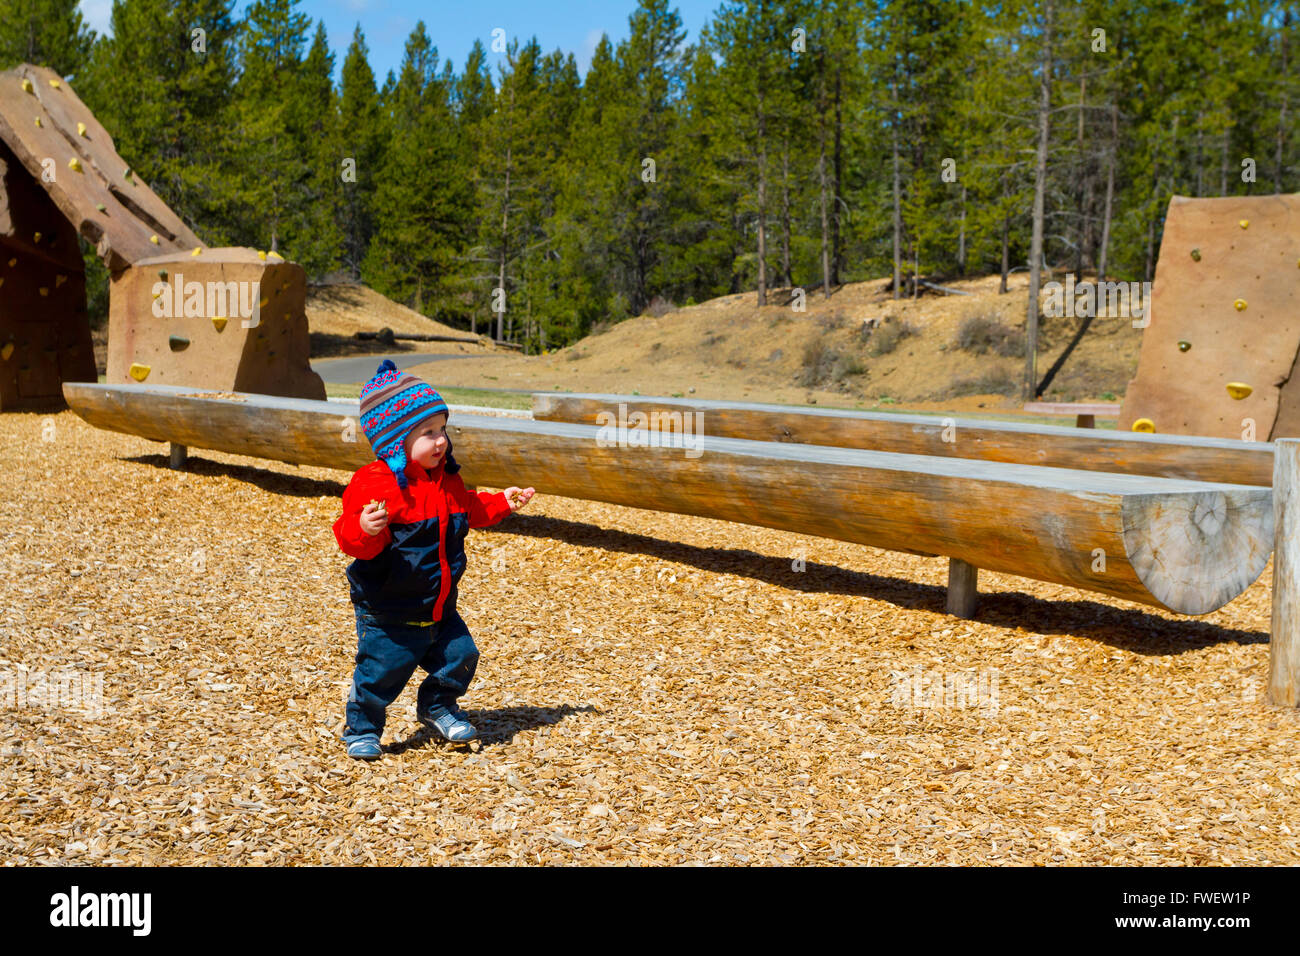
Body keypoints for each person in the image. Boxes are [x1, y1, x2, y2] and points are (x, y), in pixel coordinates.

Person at [332, 360, 535, 760]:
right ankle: (362, 728)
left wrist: (502, 503)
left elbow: (471, 509)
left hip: (439, 605)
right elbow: (351, 541)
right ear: (395, 442)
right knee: (379, 674)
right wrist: (365, 528)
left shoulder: (447, 479)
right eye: (428, 433)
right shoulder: (376, 485)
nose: (440, 441)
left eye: (442, 429)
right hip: (389, 609)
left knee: (461, 655)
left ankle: (438, 706)